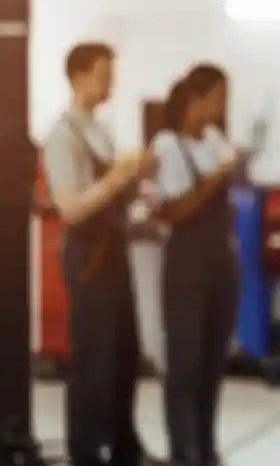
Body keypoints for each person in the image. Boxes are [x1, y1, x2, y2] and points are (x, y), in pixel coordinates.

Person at [42, 42, 164, 466]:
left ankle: (123, 444)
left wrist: (136, 178)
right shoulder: (63, 135)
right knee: (92, 356)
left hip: (113, 252)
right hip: (87, 255)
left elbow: (114, 194)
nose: (109, 82)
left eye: (111, 74)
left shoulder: (101, 129)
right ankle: (85, 449)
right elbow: (71, 207)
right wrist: (116, 178)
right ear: (77, 77)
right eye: (102, 74)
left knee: (124, 352)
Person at [150, 70, 238, 466]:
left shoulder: (215, 141)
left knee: (212, 362)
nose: (221, 108)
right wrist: (213, 178)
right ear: (195, 100)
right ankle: (183, 450)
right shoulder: (168, 145)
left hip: (221, 261)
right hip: (187, 263)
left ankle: (206, 446)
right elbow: (175, 211)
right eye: (217, 98)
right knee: (185, 363)